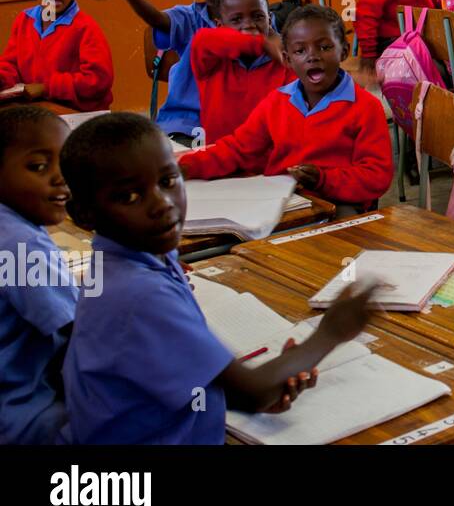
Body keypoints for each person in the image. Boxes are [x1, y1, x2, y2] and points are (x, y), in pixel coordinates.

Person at [60, 113, 377, 443]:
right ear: (84, 215)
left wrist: (269, 377)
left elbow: (185, 374)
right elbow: (251, 394)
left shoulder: (139, 256)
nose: (162, 204)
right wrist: (330, 333)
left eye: (168, 181)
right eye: (129, 196)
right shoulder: (137, 293)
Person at [180, 5, 392, 214]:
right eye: (300, 51)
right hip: (286, 201)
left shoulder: (365, 107)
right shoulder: (276, 101)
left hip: (339, 203)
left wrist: (323, 179)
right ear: (288, 59)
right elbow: (238, 148)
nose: (313, 56)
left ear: (343, 51)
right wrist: (188, 166)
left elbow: (377, 176)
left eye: (325, 47)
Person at [90, 0, 245, 141]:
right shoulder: (188, 17)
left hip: (239, 123)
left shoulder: (258, 20)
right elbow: (157, 20)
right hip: (189, 124)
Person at [0, 107, 75, 444]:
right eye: (38, 167)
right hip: (24, 413)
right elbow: (82, 335)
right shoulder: (20, 241)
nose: (61, 178)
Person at [0, 0, 113, 112]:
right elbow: (11, 64)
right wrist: (2, 78)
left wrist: (46, 87)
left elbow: (98, 80)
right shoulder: (24, 20)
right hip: (37, 106)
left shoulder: (85, 27)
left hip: (78, 111)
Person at [188, 0, 293, 144]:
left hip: (267, 162)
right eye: (236, 19)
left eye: (258, 17)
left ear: (269, 19)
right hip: (220, 159)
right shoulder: (211, 61)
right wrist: (261, 44)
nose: (249, 25)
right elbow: (202, 39)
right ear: (219, 25)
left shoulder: (283, 60)